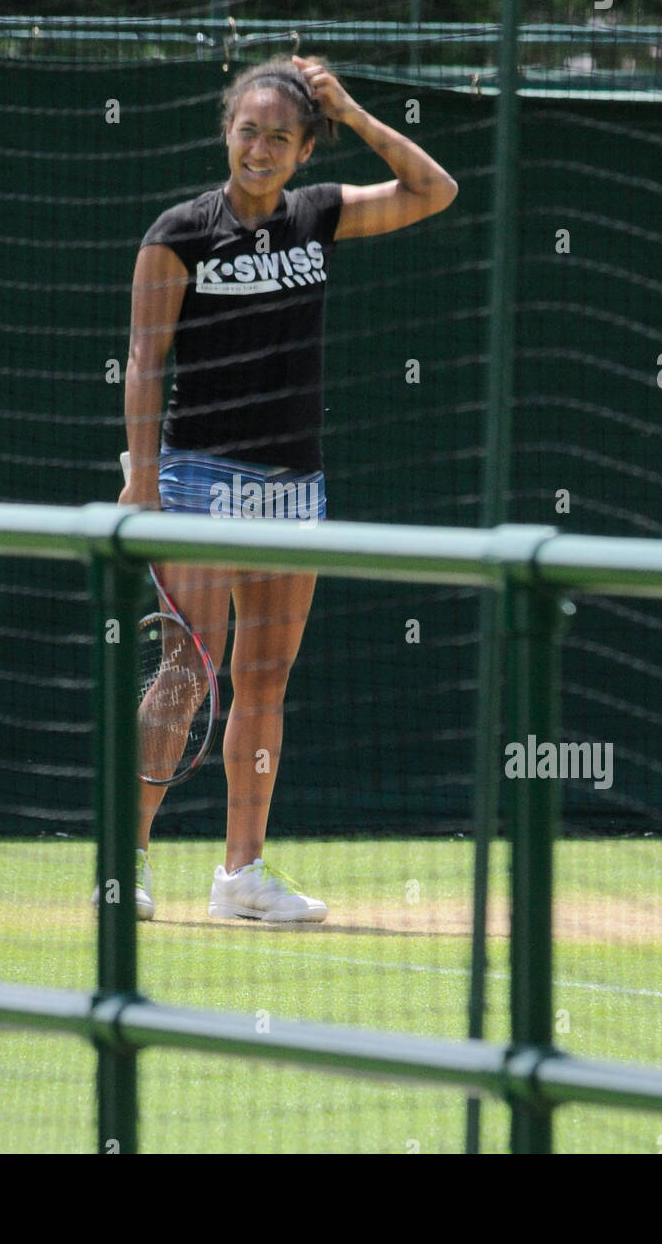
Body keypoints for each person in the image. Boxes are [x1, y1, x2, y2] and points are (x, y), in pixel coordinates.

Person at [120, 54, 457, 922]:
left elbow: (434, 189)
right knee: (187, 673)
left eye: (280, 136)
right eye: (247, 132)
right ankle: (128, 861)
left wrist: (351, 109)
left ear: (307, 149)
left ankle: (241, 879)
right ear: (225, 135)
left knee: (262, 683)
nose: (259, 149)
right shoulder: (177, 234)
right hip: (196, 478)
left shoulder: (319, 215)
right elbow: (145, 361)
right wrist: (142, 480)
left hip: (293, 490)